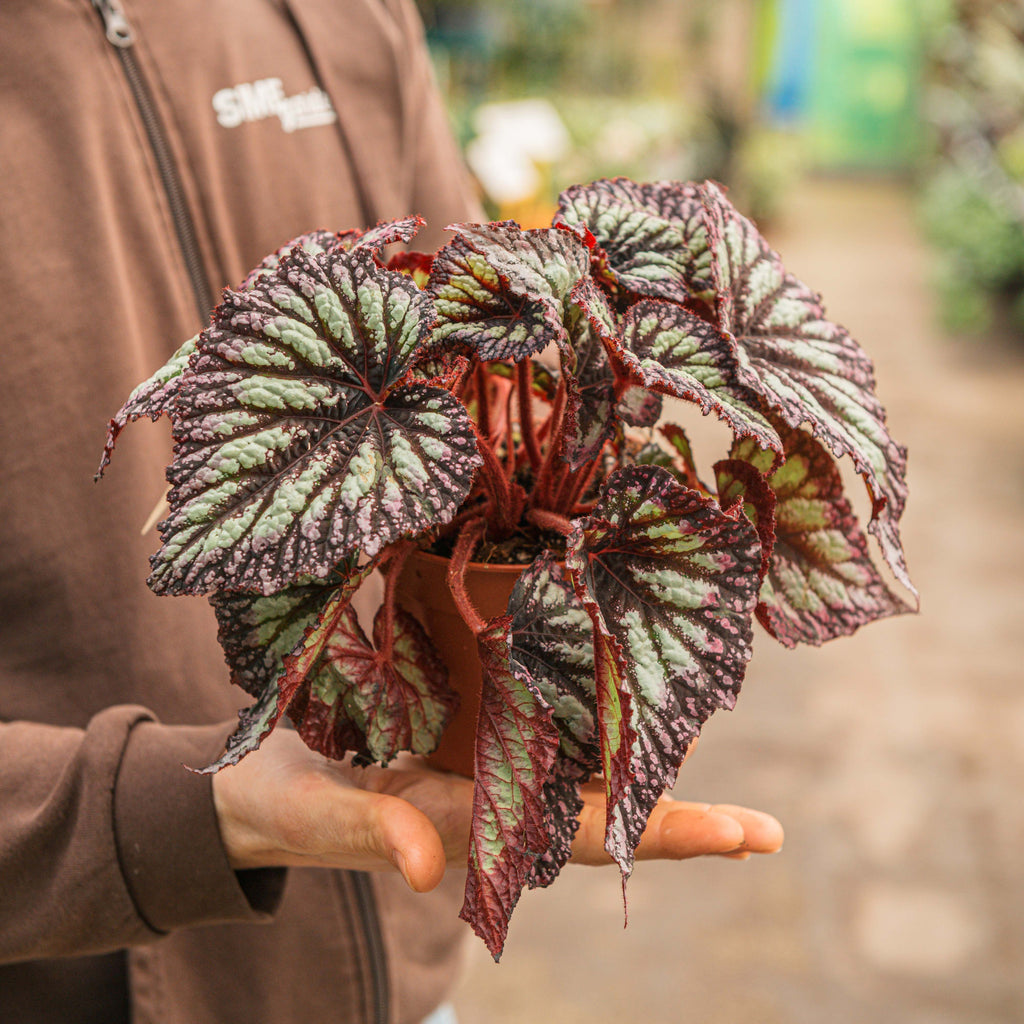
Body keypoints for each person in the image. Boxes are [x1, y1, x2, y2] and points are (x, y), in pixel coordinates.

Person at [0, 2, 783, 1022]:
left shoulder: (351, 16)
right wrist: (176, 808)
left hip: (407, 983)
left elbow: (488, 334)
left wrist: (600, 452)